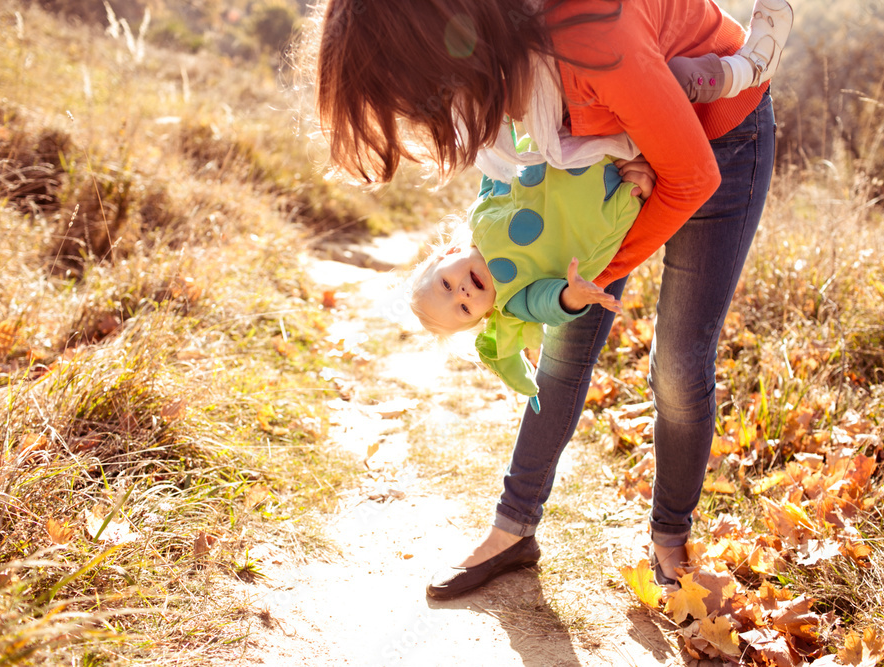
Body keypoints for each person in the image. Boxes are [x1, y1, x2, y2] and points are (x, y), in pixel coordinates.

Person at [312, 0, 788, 599]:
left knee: (678, 363)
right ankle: (513, 530)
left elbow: (692, 176)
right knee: (561, 355)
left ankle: (670, 535)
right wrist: (561, 290)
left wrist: (582, 277)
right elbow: (511, 162)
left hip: (719, 140)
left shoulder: (592, 31)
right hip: (600, 158)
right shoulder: (506, 52)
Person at [409, 155, 639, 415]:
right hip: (611, 191)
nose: (463, 294)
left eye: (446, 285)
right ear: (485, 314)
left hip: (563, 151)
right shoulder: (514, 300)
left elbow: (497, 166)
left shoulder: (481, 218)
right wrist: (571, 296)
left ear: (448, 253)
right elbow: (546, 303)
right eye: (464, 309)